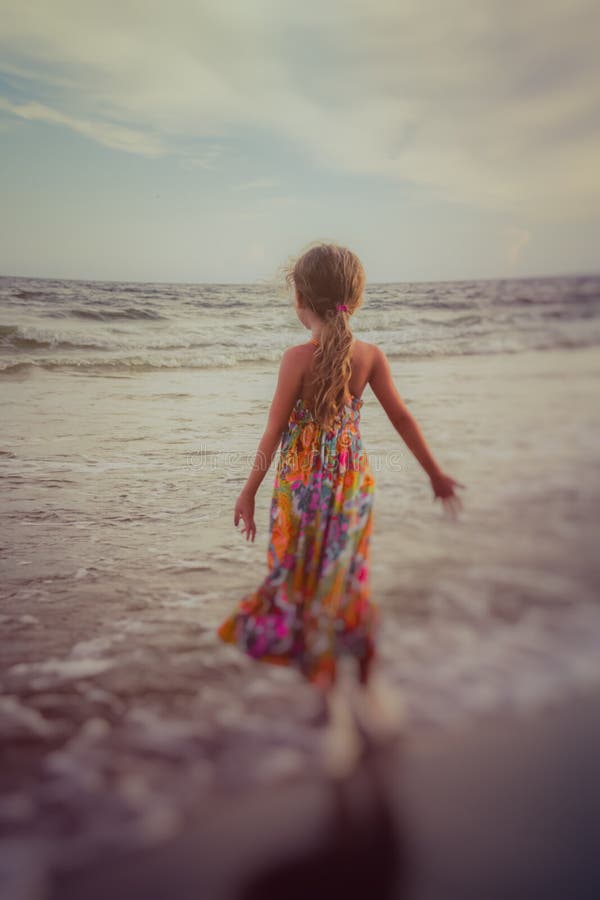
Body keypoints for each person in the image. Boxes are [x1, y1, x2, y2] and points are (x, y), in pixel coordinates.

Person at [216, 242, 465, 775]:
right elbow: (402, 420)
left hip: (301, 495)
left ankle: (332, 707)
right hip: (352, 491)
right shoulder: (369, 356)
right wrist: (435, 474)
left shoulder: (294, 360)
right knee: (348, 583)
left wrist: (249, 490)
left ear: (300, 298)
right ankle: (367, 691)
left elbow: (274, 431)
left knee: (303, 587)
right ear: (355, 298)